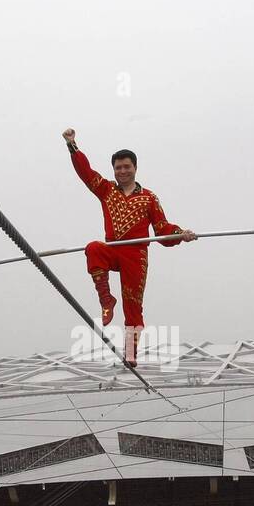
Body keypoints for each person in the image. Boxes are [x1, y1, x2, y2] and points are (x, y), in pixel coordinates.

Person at [62, 127, 196, 367]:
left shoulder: (149, 198)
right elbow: (85, 173)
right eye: (118, 167)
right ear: (113, 170)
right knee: (93, 248)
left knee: (133, 304)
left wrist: (180, 234)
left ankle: (131, 351)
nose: (122, 171)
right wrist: (72, 144)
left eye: (127, 167)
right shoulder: (106, 190)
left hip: (136, 254)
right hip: (114, 249)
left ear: (135, 168)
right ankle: (106, 298)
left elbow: (162, 229)